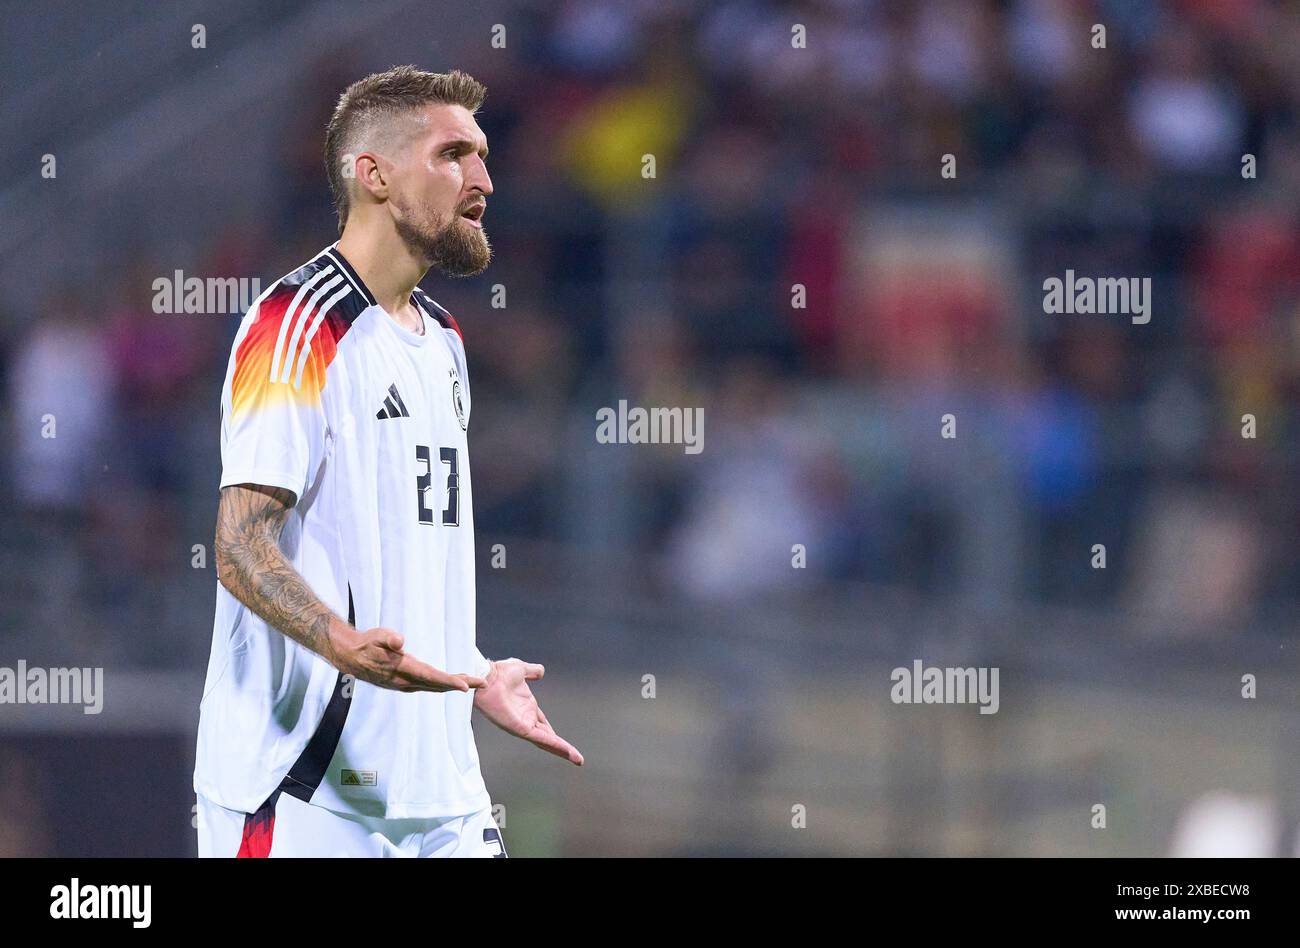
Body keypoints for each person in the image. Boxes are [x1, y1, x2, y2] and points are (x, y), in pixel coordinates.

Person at [193, 66, 582, 858]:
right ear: (373, 175)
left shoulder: (443, 341)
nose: (485, 179)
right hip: (309, 788)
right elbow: (238, 544)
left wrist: (473, 672)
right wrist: (335, 639)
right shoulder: (294, 326)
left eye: (481, 155)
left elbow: (403, 553)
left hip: (441, 794)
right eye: (453, 155)